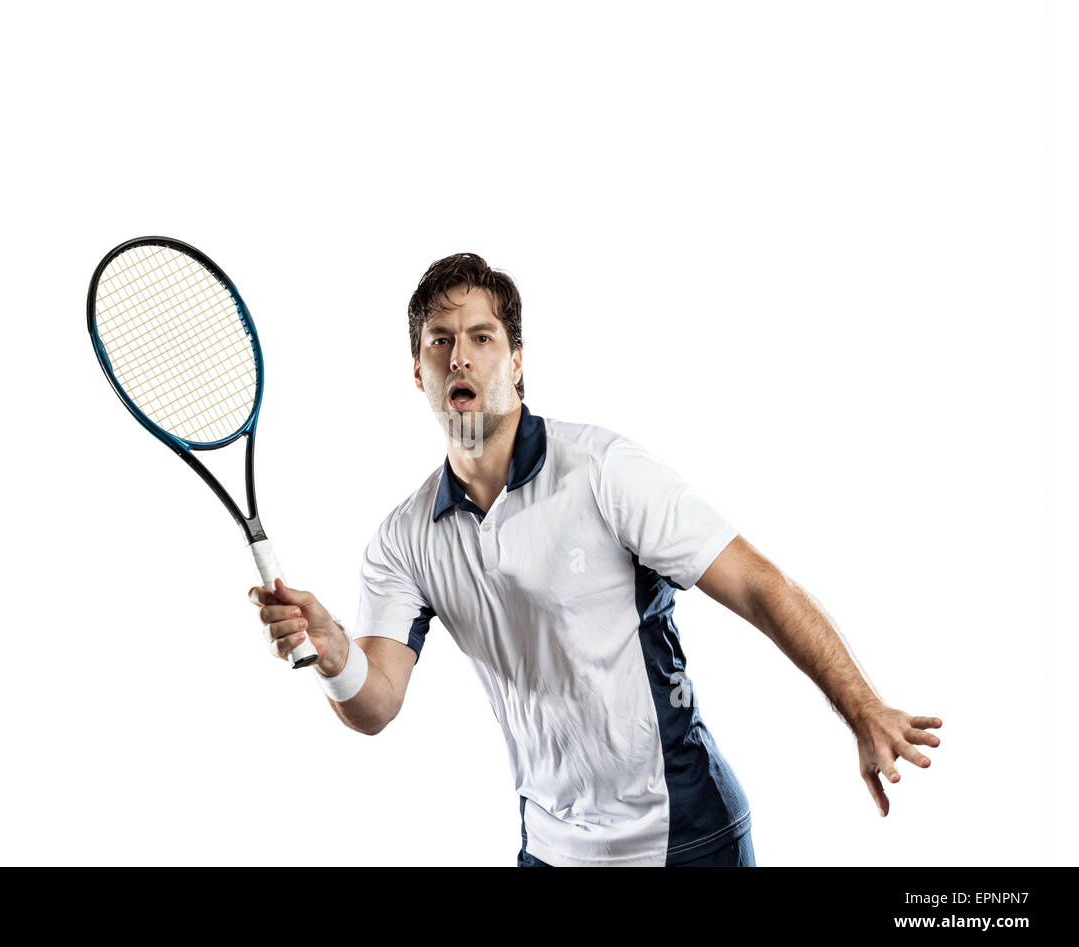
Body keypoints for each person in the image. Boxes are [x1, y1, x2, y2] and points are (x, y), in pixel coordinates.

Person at [248, 253, 943, 867]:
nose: (459, 356)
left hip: (687, 836)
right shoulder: (404, 539)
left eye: (481, 338)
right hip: (552, 849)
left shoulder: (603, 471)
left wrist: (861, 707)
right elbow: (377, 705)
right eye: (440, 341)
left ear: (516, 361)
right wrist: (334, 651)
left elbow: (760, 586)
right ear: (417, 370)